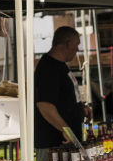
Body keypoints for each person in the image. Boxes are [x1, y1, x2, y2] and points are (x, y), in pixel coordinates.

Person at [33, 25, 84, 153]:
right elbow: (44, 105)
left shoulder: (60, 65)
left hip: (63, 144)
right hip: (54, 144)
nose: (77, 49)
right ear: (67, 44)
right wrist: (65, 130)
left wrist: (80, 107)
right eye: (76, 44)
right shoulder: (49, 68)